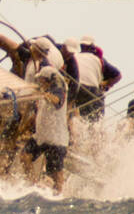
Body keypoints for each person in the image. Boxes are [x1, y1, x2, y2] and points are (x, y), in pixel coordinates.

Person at [23, 66, 68, 194]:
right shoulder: (44, 93)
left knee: (56, 173)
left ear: (48, 80)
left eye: (41, 79)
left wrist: (45, 95)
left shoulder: (59, 91)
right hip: (41, 136)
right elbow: (37, 115)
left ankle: (59, 194)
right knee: (25, 156)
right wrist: (24, 129)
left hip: (56, 139)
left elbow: (57, 101)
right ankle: (32, 185)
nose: (40, 82)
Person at [74, 35, 121, 120]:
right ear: (92, 47)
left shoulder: (74, 57)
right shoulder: (99, 59)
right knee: (95, 120)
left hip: (76, 87)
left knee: (76, 116)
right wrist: (106, 85)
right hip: (92, 91)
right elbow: (118, 76)